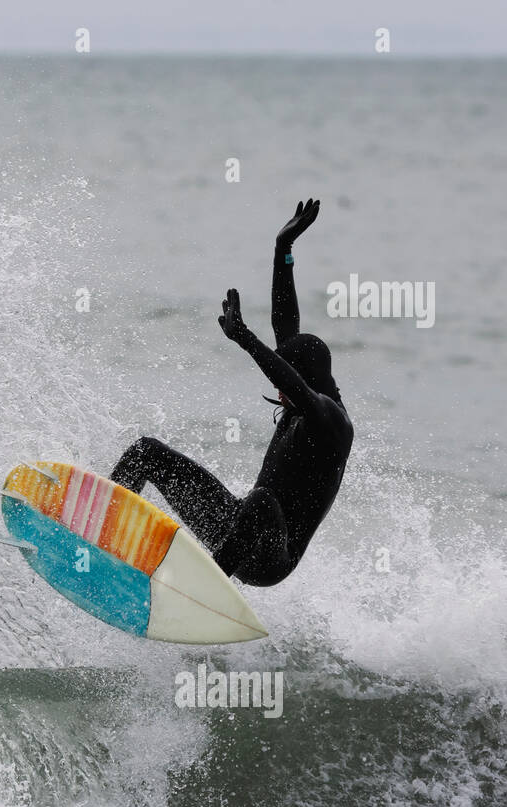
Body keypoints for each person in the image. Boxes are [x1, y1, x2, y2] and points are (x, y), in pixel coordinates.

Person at [110, 199, 352, 586]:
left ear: (306, 380)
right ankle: (104, 534)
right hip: (237, 527)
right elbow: (285, 322)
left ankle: (207, 594)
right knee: (147, 452)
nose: (278, 389)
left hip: (271, 556)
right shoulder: (306, 391)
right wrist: (283, 250)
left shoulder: (331, 422)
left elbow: (293, 385)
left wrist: (243, 338)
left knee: (261, 502)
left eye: (286, 384)